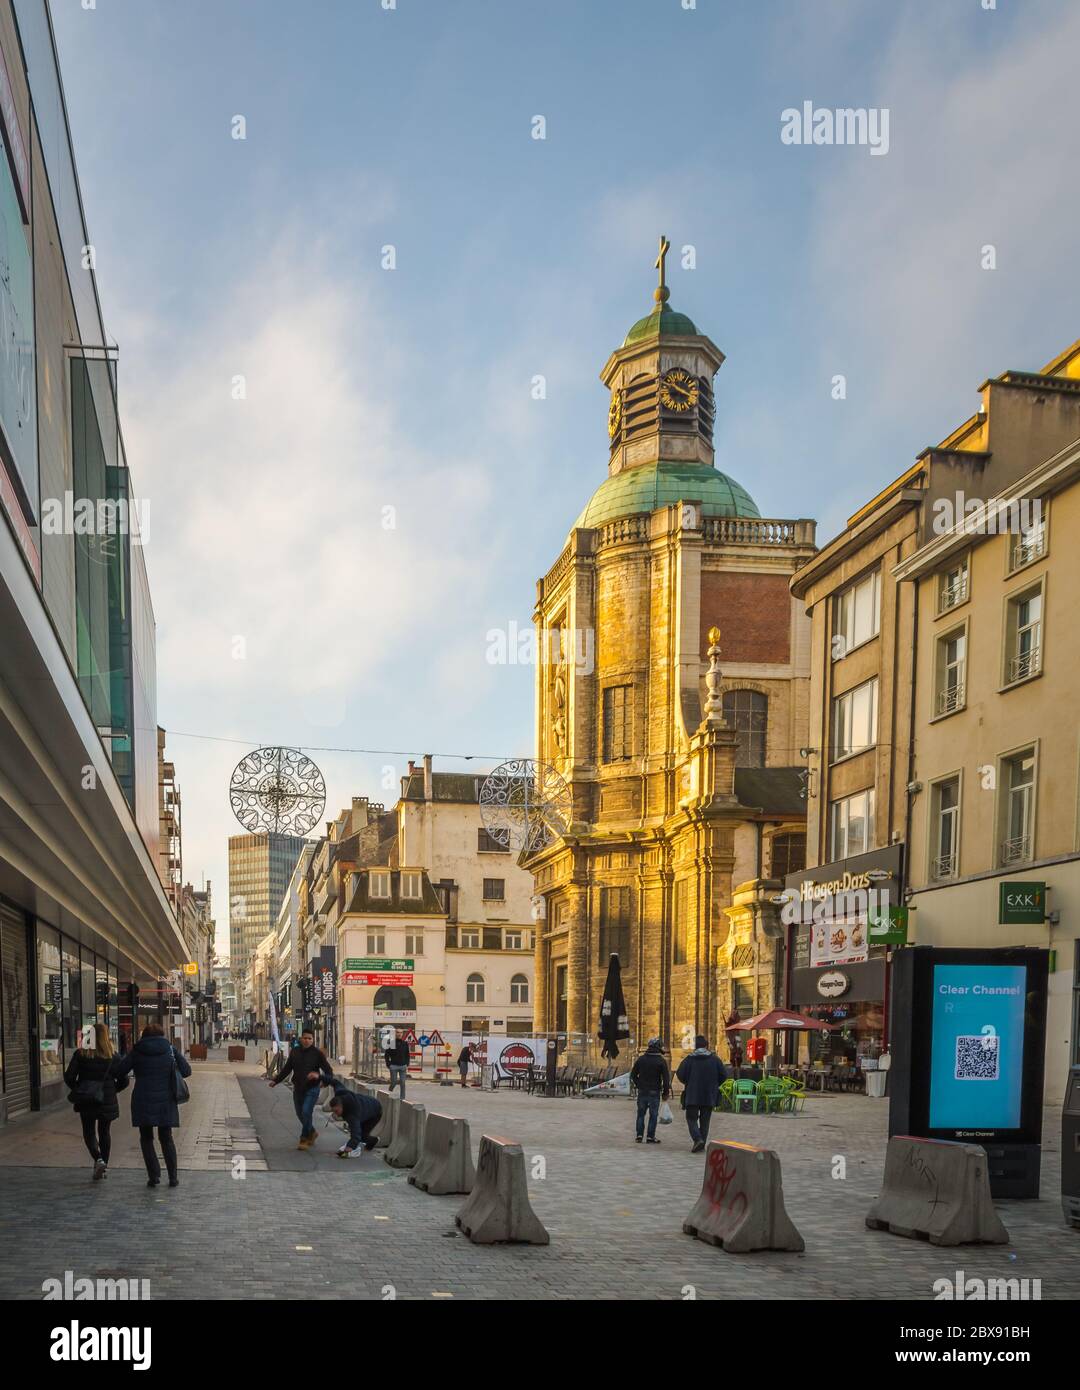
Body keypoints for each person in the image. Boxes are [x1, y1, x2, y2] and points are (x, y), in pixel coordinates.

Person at [113, 1022, 191, 1188]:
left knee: (146, 1138)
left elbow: (119, 1071)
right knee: (166, 1138)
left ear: (144, 1036)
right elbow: (186, 1071)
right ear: (162, 1035)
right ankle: (173, 1177)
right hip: (166, 1100)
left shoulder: (137, 1051)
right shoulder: (170, 1049)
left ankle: (154, 1176)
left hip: (143, 1098)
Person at [64, 1023, 128, 1181]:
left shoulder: (81, 1054)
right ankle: (103, 1165)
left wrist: (79, 1088)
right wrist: (113, 1090)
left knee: (89, 1131)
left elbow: (69, 1076)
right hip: (106, 1098)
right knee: (105, 1132)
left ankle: (98, 1159)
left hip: (86, 1098)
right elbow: (124, 1079)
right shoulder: (113, 1055)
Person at [269, 1028, 333, 1149]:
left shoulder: (318, 1054)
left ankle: (304, 1138)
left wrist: (320, 1078)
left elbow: (329, 1072)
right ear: (300, 1039)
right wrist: (276, 1081)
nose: (307, 1041)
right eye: (305, 1038)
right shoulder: (295, 1052)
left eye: (310, 1039)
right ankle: (312, 1132)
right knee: (300, 1114)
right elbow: (287, 1068)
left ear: (313, 1040)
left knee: (306, 1111)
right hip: (298, 1087)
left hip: (312, 1088)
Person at [676, 1034, 727, 1153]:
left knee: (691, 1118)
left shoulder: (689, 1059)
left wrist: (688, 1082)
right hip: (709, 1095)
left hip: (692, 1094)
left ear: (695, 1046)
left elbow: (680, 1074)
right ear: (706, 1045)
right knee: (705, 1120)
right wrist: (714, 1084)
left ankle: (697, 1139)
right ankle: (701, 1142)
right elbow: (724, 1075)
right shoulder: (715, 1059)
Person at [629, 1037, 671, 1144]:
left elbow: (633, 1074)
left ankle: (639, 1135)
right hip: (654, 1091)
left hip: (642, 1090)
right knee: (653, 1115)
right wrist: (665, 1092)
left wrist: (639, 1084)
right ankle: (650, 1137)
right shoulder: (661, 1061)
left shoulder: (641, 1059)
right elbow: (666, 1079)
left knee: (641, 1114)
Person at [329, 1086, 383, 1158]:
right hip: (365, 1107)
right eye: (333, 1111)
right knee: (359, 1131)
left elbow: (356, 1131)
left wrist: (350, 1146)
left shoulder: (352, 1113)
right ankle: (370, 1143)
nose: (336, 1114)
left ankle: (374, 1141)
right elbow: (336, 1084)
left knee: (362, 1136)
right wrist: (322, 1078)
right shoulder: (341, 1096)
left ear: (341, 1106)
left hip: (375, 1111)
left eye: (336, 1111)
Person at [385, 1030, 410, 1098]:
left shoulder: (405, 1043)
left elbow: (407, 1055)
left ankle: (402, 1098)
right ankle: (389, 1093)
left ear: (402, 1034)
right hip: (393, 1066)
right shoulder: (391, 1043)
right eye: (398, 1032)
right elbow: (387, 1055)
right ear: (395, 1033)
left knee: (402, 1082)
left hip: (403, 1066)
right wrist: (388, 1064)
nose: (399, 1034)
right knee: (394, 1082)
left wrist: (407, 1064)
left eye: (401, 1032)